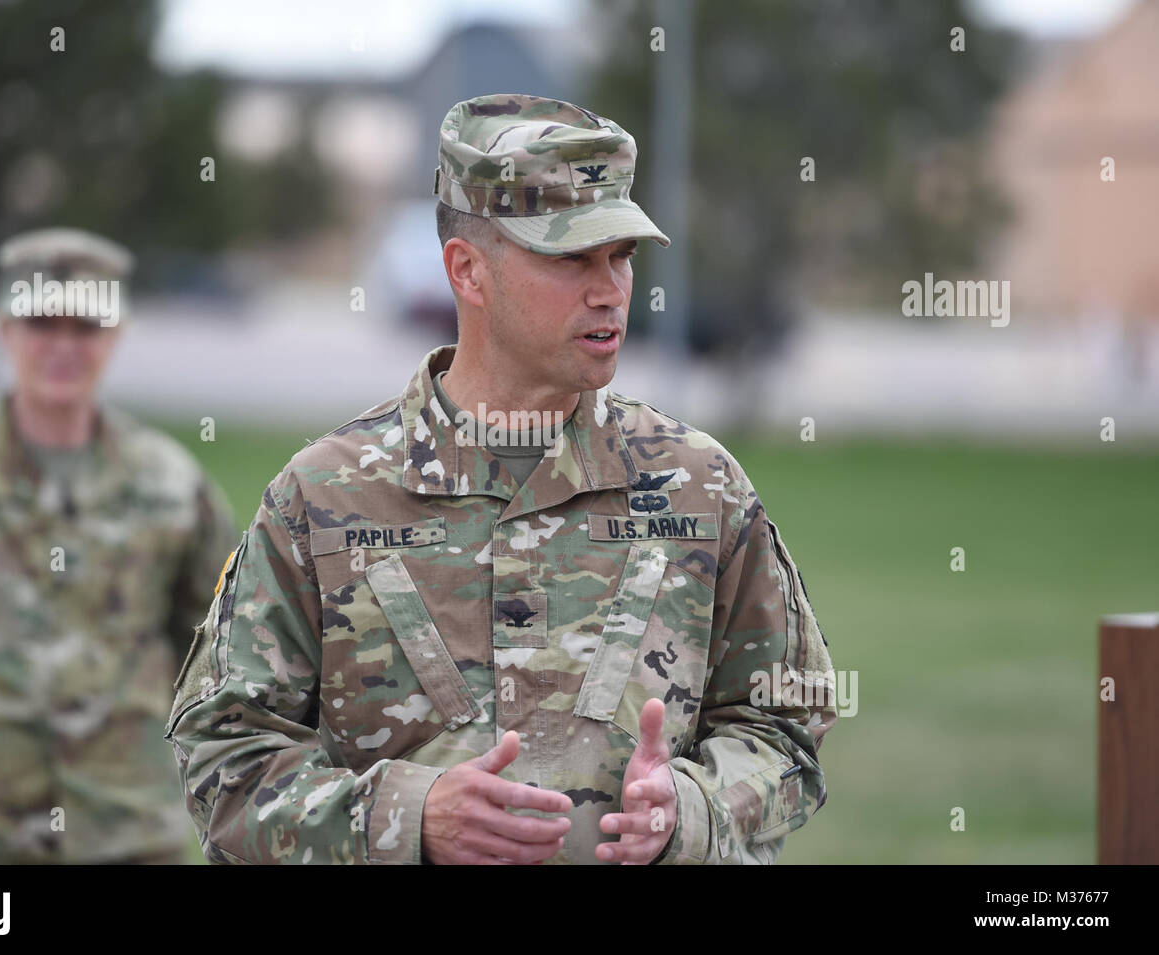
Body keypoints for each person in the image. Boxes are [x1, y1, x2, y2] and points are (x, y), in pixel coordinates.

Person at [167, 93, 837, 865]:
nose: (611, 290)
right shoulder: (322, 499)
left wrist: (692, 810)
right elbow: (223, 759)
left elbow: (786, 726)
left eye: (621, 255)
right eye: (569, 257)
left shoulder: (700, 488)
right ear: (468, 271)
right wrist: (406, 818)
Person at [0, 227, 236, 863]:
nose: (63, 347)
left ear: (116, 335)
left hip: (122, 834)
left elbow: (223, 649)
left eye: (86, 328)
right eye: (42, 324)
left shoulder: (175, 487)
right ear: (5, 330)